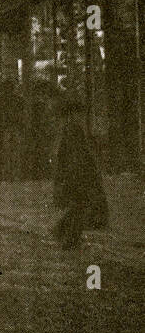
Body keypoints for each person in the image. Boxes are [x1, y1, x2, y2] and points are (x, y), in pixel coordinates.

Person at [52, 95, 108, 249]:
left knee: (78, 205)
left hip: (75, 173)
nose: (80, 116)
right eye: (77, 112)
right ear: (72, 113)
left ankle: (61, 231)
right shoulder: (73, 129)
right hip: (77, 174)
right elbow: (76, 155)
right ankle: (69, 239)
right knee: (80, 206)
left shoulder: (69, 128)